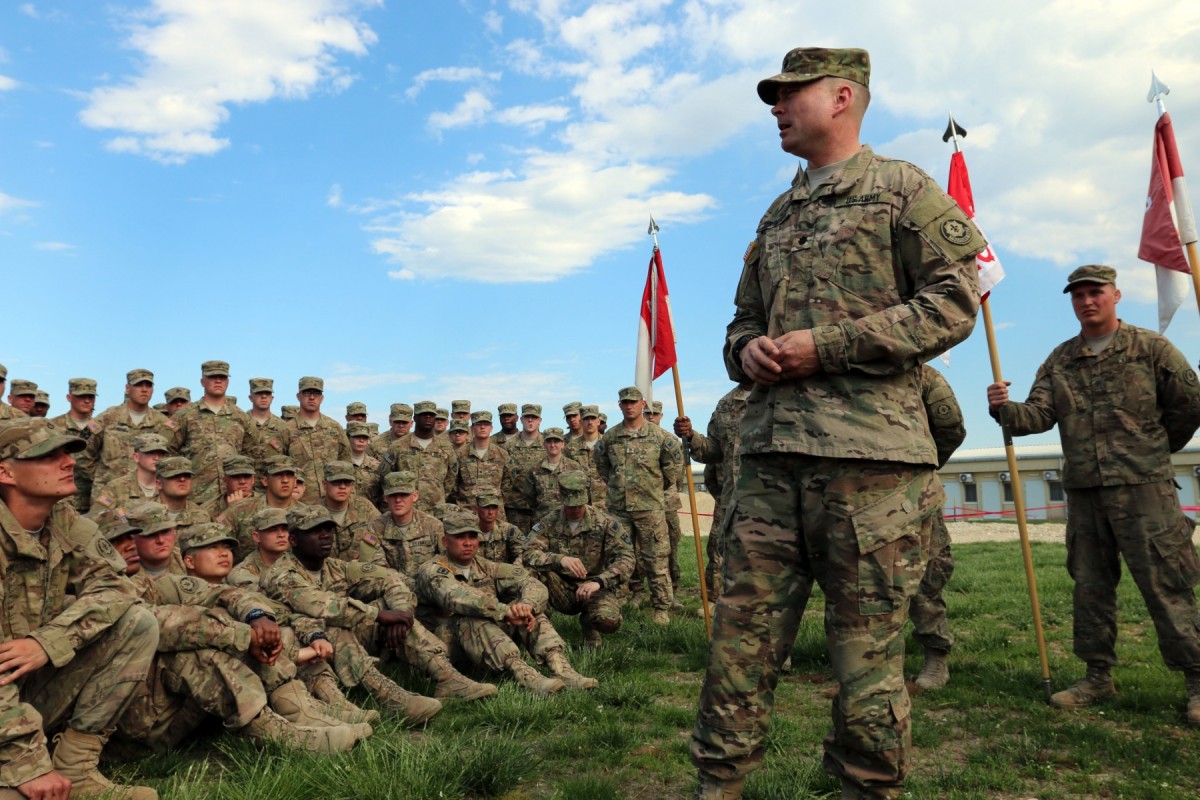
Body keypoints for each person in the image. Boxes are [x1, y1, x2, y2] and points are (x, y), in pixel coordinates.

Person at [691, 47, 983, 800]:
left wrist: (828, 346)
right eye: (774, 97)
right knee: (737, 651)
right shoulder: (776, 214)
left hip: (870, 468)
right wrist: (746, 351)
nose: (777, 108)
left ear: (844, 97)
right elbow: (740, 321)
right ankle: (716, 787)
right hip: (766, 465)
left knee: (867, 664)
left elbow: (957, 300)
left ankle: (864, 788)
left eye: (792, 94)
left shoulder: (902, 191)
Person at [986, 264, 1200, 723]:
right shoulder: (1061, 359)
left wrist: (1154, 451)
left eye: (1095, 292)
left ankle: (1197, 680)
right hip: (1085, 492)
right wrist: (1004, 410)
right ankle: (1097, 676)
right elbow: (1038, 416)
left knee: (1167, 585)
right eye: (1078, 294)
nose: (1086, 300)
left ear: (1116, 295)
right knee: (1091, 588)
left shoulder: (1152, 349)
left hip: (1145, 490)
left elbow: (1188, 404)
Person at [0, 418, 160, 799]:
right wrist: (27, 765)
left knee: (137, 622)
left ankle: (75, 768)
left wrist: (47, 642)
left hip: (23, 690)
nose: (68, 462)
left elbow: (117, 587)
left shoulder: (63, 519)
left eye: (68, 454)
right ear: (5, 471)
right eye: (48, 456)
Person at [261, 506, 495, 712]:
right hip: (306, 648)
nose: (325, 536)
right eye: (314, 531)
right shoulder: (282, 574)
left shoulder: (336, 567)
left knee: (389, 606)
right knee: (336, 623)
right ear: (293, 540)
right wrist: (380, 616)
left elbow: (390, 579)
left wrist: (402, 615)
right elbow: (324, 606)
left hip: (337, 643)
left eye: (328, 529)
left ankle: (447, 678)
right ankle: (388, 696)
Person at [416, 518, 596, 693]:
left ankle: (561, 669)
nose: (468, 543)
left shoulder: (486, 566)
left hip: (485, 649)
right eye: (460, 537)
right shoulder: (432, 569)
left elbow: (530, 582)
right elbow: (457, 597)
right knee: (470, 616)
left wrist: (526, 606)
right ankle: (524, 674)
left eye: (472, 536)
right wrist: (504, 611)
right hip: (446, 653)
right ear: (445, 541)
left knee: (524, 609)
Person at [594, 386, 682, 625]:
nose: (629, 406)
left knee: (656, 556)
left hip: (650, 507)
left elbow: (673, 467)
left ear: (643, 404)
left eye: (634, 402)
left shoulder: (661, 437)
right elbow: (601, 465)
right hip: (618, 508)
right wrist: (616, 485)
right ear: (620, 405)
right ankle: (619, 598)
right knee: (619, 555)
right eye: (625, 402)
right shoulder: (611, 437)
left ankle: (661, 606)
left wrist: (654, 487)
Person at [522, 471, 634, 648]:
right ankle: (540, 630)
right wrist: (559, 559)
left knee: (609, 621)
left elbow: (626, 559)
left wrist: (599, 581)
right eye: (570, 506)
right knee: (531, 574)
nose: (575, 510)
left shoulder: (605, 523)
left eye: (579, 505)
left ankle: (590, 627)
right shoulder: (548, 522)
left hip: (595, 588)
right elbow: (527, 553)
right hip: (561, 588)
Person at [910, 365, 966, 691]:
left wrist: (922, 466)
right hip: (855, 495)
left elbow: (951, 430)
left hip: (915, 495)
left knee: (926, 577)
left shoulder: (924, 377)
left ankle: (936, 654)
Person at [674, 382, 751, 604]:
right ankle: (720, 605)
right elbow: (714, 450)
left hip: (774, 498)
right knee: (722, 552)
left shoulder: (782, 394)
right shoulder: (726, 405)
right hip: (732, 498)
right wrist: (691, 436)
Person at [76, 368, 176, 511]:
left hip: (149, 499)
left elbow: (170, 460)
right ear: (127, 388)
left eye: (148, 386)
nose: (144, 390)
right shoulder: (108, 417)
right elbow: (83, 452)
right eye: (138, 385)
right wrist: (103, 478)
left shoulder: (162, 423)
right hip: (109, 498)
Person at [168, 360, 255, 506]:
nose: (218, 381)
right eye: (212, 377)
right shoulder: (185, 415)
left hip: (235, 498)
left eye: (222, 377)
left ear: (228, 381)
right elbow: (167, 450)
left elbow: (254, 454)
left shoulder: (240, 416)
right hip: (196, 498)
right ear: (202, 381)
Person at [376, 400, 458, 512]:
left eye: (431, 415)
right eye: (423, 415)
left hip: (436, 510)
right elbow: (384, 474)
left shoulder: (446, 447)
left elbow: (452, 476)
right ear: (414, 419)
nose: (428, 418)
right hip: (405, 510)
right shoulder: (398, 446)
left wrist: (439, 493)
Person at [359, 471, 446, 577]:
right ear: (385, 498)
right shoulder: (374, 528)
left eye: (404, 495)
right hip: (390, 589)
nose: (398, 500)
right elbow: (376, 570)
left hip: (425, 587)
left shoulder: (434, 527)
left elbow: (445, 563)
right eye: (393, 495)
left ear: (415, 496)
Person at [285, 377, 350, 504]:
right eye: (307, 393)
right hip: (300, 502)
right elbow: (278, 468)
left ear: (322, 398)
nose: (312, 397)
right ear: (298, 396)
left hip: (333, 501)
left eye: (316, 393)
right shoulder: (287, 430)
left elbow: (346, 464)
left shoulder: (335, 428)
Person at [88, 432, 171, 518]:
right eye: (150, 453)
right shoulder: (116, 488)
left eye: (161, 454)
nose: (156, 458)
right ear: (136, 457)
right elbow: (97, 518)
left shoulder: (171, 486)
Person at [455, 410, 512, 512]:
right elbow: (453, 484)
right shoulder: (460, 454)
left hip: (493, 512)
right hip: (467, 512)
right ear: (472, 428)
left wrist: (497, 501)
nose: (482, 427)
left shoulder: (502, 454)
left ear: (491, 428)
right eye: (478, 424)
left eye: (486, 424)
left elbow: (507, 484)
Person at [503, 404, 547, 531]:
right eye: (527, 417)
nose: (530, 420)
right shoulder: (509, 446)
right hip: (515, 507)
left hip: (541, 506)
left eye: (534, 417)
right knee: (516, 545)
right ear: (521, 420)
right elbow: (504, 475)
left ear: (540, 421)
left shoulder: (548, 443)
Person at [523, 427, 581, 521]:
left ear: (562, 444)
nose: (552, 445)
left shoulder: (574, 467)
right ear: (544, 444)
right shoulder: (535, 469)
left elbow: (580, 494)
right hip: (543, 520)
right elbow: (530, 497)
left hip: (567, 520)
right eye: (549, 441)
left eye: (556, 441)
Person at [244, 377, 290, 476]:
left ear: (272, 398)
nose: (264, 396)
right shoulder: (241, 422)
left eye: (267, 393)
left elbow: (288, 458)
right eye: (259, 393)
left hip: (274, 484)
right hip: (246, 484)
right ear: (250, 397)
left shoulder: (283, 427)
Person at [565, 404, 606, 508]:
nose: (590, 422)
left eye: (593, 418)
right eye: (586, 419)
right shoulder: (570, 448)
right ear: (581, 422)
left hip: (606, 504)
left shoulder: (608, 444)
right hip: (581, 506)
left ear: (598, 421)